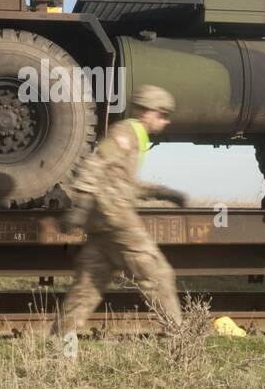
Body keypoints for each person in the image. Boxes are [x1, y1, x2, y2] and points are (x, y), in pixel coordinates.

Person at [57, 84, 188, 335]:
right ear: (148, 112)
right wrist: (81, 203)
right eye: (162, 115)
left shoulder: (135, 137)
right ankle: (179, 340)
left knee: (87, 289)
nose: (165, 121)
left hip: (101, 223)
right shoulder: (127, 133)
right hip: (116, 217)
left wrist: (162, 192)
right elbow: (95, 164)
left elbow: (122, 182)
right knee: (159, 275)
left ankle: (61, 346)